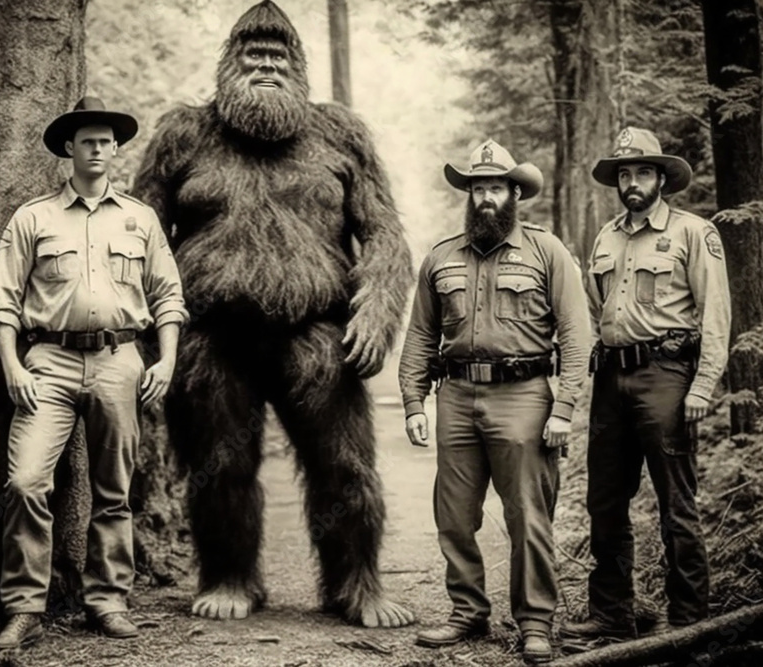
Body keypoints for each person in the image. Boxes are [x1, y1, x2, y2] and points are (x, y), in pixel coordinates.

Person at [131, 0, 415, 628]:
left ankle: (358, 587)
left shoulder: (340, 133)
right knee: (220, 466)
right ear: (229, 65)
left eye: (277, 57)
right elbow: (135, 235)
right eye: (254, 57)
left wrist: (376, 314)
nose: (266, 67)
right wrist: (149, 341)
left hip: (318, 332)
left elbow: (387, 236)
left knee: (345, 467)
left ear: (300, 68)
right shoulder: (183, 133)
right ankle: (230, 576)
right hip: (209, 335)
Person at [0, 97, 188, 649]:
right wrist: (10, 367)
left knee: (113, 491)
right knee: (25, 481)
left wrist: (165, 358)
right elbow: (0, 302)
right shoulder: (33, 217)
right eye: (87, 141)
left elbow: (168, 296)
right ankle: (26, 607)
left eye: (105, 141)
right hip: (45, 361)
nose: (97, 149)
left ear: (115, 149)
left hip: (121, 360)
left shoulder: (139, 219)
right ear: (68, 149)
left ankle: (107, 601)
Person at [398, 140, 590, 663]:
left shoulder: (547, 252)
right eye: (478, 187)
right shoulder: (441, 257)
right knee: (454, 516)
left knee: (528, 515)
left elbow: (576, 334)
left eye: (495, 187)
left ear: (513, 194)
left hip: (525, 396)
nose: (486, 196)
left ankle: (535, 621)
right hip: (456, 397)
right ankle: (467, 611)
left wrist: (565, 407)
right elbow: (419, 335)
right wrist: (414, 401)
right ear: (469, 194)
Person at [563, 127, 731, 642]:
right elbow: (595, 309)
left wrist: (702, 386)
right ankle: (612, 613)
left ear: (661, 178)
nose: (632, 182)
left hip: (667, 377)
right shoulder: (606, 236)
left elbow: (717, 315)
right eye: (624, 174)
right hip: (611, 378)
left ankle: (688, 620)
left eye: (642, 172)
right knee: (605, 501)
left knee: (675, 501)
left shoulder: (692, 233)